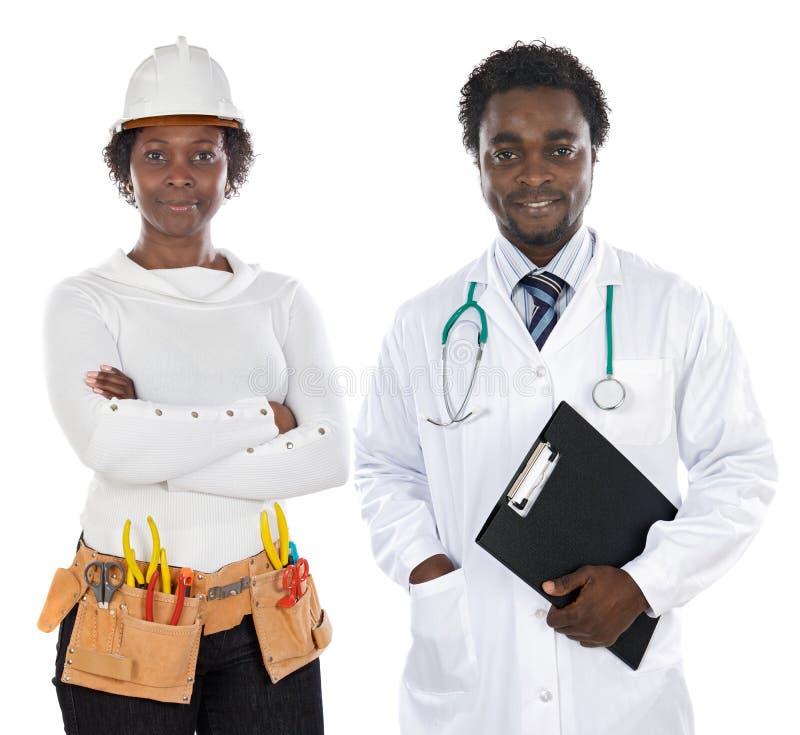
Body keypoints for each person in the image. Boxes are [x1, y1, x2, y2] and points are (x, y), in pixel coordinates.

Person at [354, 41, 777, 735]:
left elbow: (741, 469)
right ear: (479, 162)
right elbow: (384, 468)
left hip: (620, 696)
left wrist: (645, 583)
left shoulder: (676, 309)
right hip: (473, 683)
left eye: (560, 148)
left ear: (593, 153)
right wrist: (428, 570)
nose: (534, 175)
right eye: (506, 151)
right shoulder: (424, 322)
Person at [41, 37, 348, 734]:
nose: (180, 175)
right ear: (126, 167)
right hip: (127, 618)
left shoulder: (282, 298)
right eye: (156, 155)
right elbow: (108, 446)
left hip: (266, 616)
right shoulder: (85, 300)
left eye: (203, 153)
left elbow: (328, 453)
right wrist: (265, 416)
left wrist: (158, 436)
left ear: (230, 165)